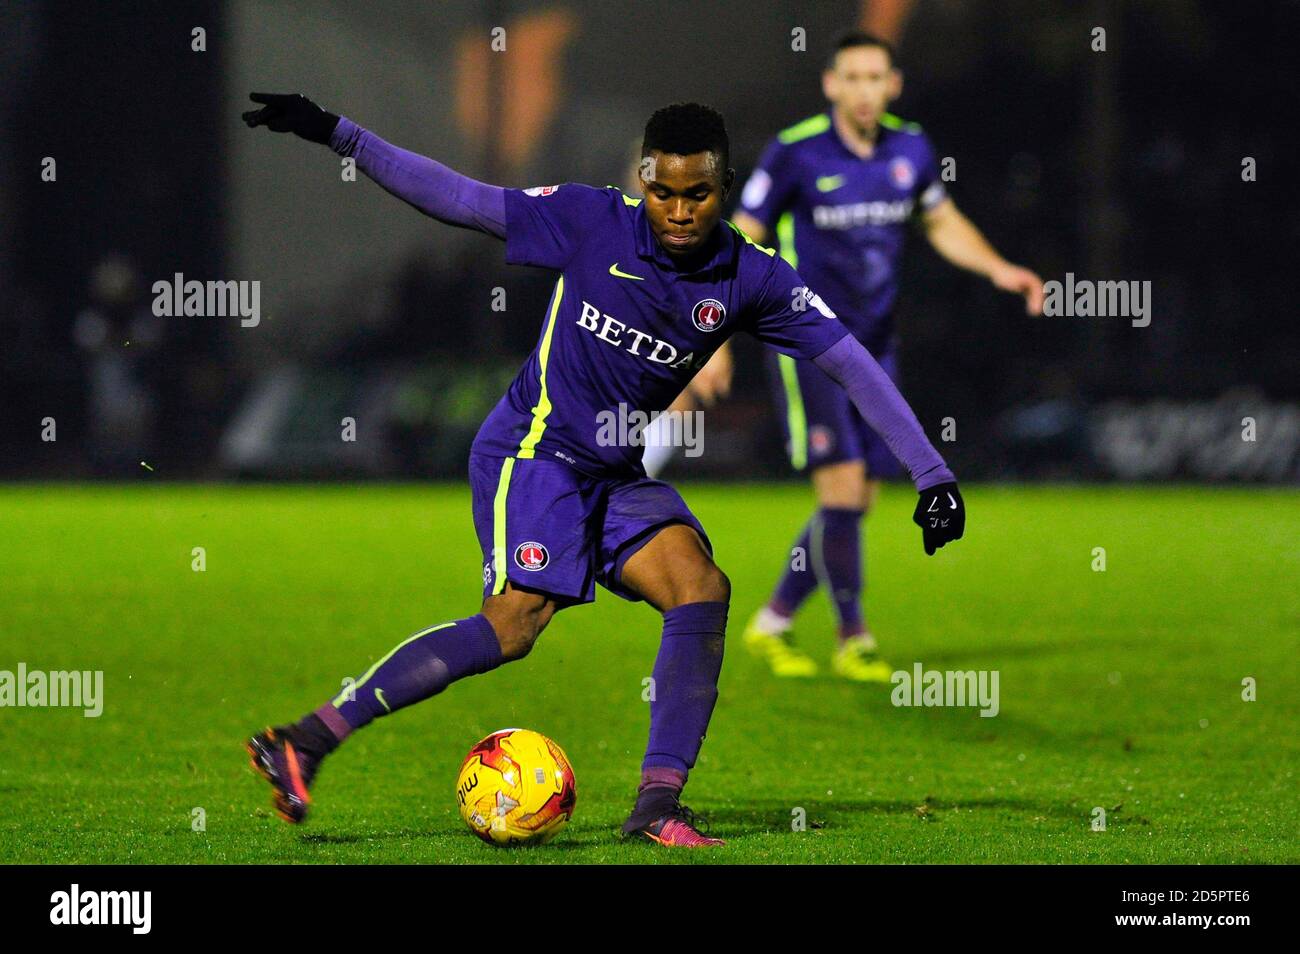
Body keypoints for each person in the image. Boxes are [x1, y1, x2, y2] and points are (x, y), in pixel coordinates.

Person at [241, 91, 964, 847]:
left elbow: (850, 361)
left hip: (611, 470)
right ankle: (308, 739)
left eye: (698, 195)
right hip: (535, 450)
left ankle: (657, 804)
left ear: (725, 189)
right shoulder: (590, 220)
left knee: (699, 586)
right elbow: (459, 197)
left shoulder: (752, 277)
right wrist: (339, 132)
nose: (679, 211)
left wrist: (931, 473)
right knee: (514, 625)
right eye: (663, 192)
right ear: (643, 179)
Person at [731, 31, 1041, 682]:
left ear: (893, 85)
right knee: (842, 490)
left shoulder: (911, 147)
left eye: (877, 78)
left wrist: (998, 268)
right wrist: (710, 331)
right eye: (854, 77)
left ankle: (773, 621)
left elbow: (941, 221)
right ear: (831, 84)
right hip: (808, 342)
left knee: (858, 500)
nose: (866, 90)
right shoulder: (794, 152)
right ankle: (854, 637)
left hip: (875, 345)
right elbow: (744, 236)